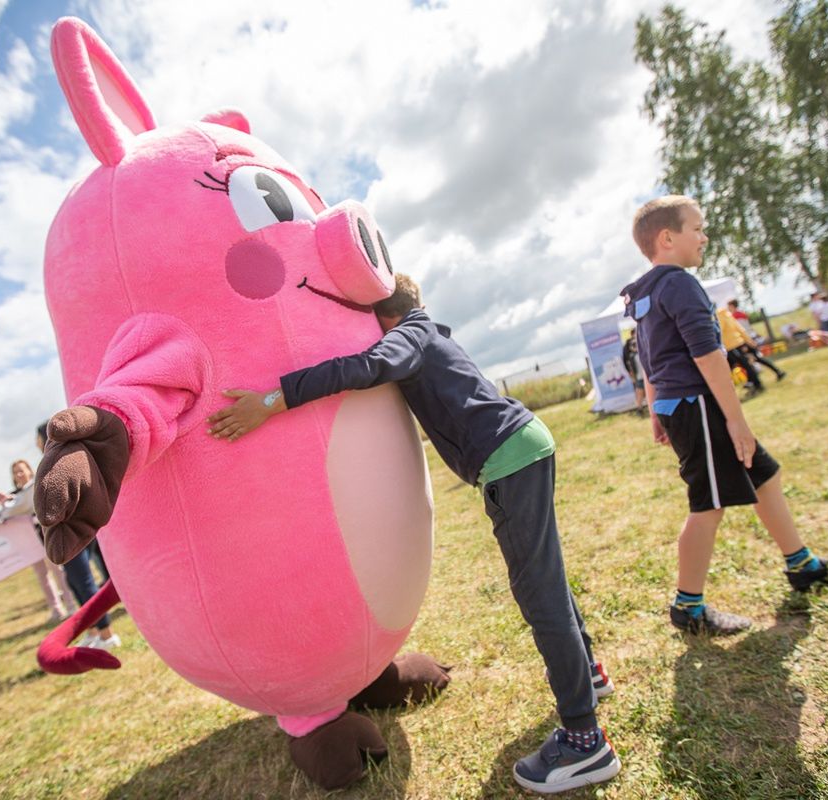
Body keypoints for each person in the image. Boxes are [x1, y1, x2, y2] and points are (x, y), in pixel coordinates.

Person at [206, 274, 620, 794]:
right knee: (547, 579)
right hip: (524, 446)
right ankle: (590, 674)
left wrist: (272, 401)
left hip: (510, 458)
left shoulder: (410, 336)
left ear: (380, 314)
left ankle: (585, 742)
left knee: (540, 596)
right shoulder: (428, 330)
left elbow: (364, 367)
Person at [624, 195, 828, 637]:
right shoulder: (679, 283)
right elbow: (708, 355)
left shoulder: (646, 293)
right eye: (697, 228)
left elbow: (650, 359)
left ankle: (801, 564)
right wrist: (736, 419)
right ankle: (688, 607)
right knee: (708, 505)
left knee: (762, 475)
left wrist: (656, 411)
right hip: (698, 408)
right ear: (668, 238)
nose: (704, 236)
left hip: (681, 407)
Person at [29, 431, 120, 651]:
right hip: (71, 532)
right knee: (74, 581)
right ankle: (92, 631)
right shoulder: (58, 459)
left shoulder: (61, 461)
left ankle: (107, 635)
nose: (36, 442)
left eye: (38, 438)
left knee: (83, 581)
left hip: (72, 531)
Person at [0, 460, 75, 624]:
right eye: (16, 472)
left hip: (44, 534)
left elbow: (16, 508)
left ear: (29, 471)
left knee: (58, 571)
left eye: (21, 470)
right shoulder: (15, 495)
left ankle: (71, 605)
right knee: (43, 576)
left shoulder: (35, 487)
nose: (19, 474)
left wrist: (6, 504)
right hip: (27, 540)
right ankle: (56, 609)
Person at [37, 422, 108, 584]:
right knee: (98, 564)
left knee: (81, 578)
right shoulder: (75, 453)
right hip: (90, 518)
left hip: (73, 526)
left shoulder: (55, 462)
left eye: (37, 438)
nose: (36, 443)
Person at [727, 299, 786, 382]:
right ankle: (773, 373)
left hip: (746, 340)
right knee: (753, 359)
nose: (728, 308)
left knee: (752, 360)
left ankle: (756, 380)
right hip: (749, 338)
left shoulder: (735, 316)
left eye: (728, 306)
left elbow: (743, 330)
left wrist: (745, 343)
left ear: (732, 306)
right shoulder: (741, 314)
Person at [717, 305, 766, 397]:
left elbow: (719, 331)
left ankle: (756, 384)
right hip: (737, 344)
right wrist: (748, 340)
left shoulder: (718, 316)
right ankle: (753, 384)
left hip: (730, 347)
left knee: (745, 366)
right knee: (743, 366)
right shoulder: (727, 314)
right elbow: (739, 328)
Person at [621, 332, 647, 414]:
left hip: (646, 374)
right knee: (639, 392)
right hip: (639, 375)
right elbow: (626, 361)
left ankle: (644, 408)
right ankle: (639, 409)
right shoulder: (631, 355)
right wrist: (631, 374)